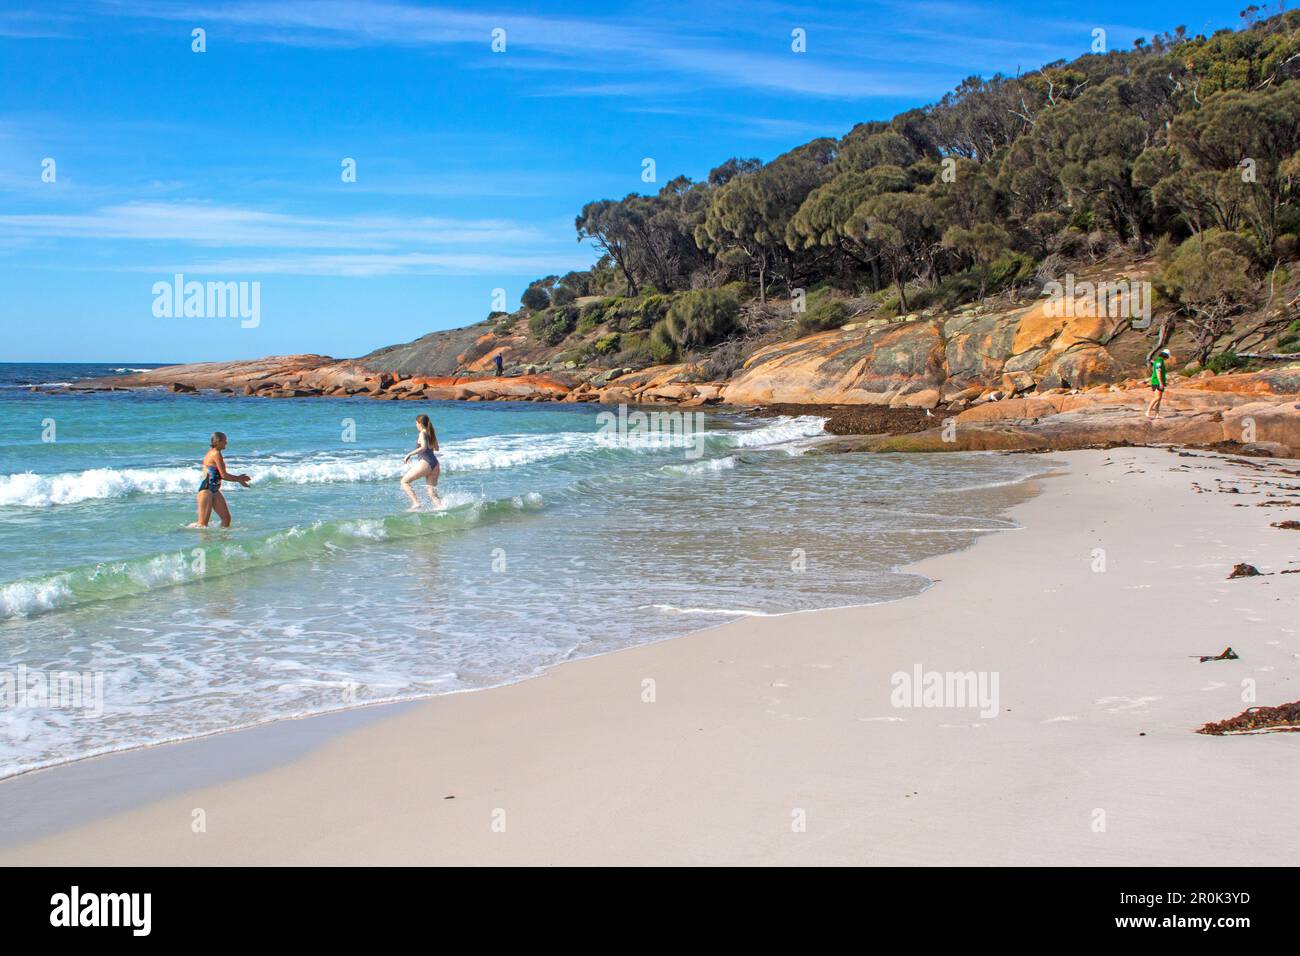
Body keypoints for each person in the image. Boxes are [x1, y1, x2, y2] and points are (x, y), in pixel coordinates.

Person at [192, 431, 251, 528]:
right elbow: (223, 475)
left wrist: (239, 479)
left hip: (214, 491)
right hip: (206, 491)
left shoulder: (214, 453)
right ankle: (185, 532)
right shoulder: (216, 454)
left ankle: (223, 540)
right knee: (202, 525)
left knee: (226, 519)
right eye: (225, 441)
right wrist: (239, 479)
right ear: (217, 441)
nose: (226, 443)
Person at [400, 413, 442, 511]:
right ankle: (441, 508)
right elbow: (437, 448)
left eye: (416, 423)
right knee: (432, 494)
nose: (416, 425)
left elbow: (423, 447)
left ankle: (416, 503)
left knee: (404, 481)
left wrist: (409, 454)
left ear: (420, 423)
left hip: (426, 462)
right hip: (435, 464)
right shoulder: (431, 433)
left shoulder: (422, 433)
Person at [1146, 348, 1172, 418]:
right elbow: (1158, 372)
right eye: (1168, 356)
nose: (1168, 358)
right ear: (1165, 355)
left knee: (1159, 398)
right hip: (1157, 381)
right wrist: (1160, 383)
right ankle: (1148, 411)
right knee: (1157, 397)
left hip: (1158, 381)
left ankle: (1157, 414)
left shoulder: (1160, 361)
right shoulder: (1159, 361)